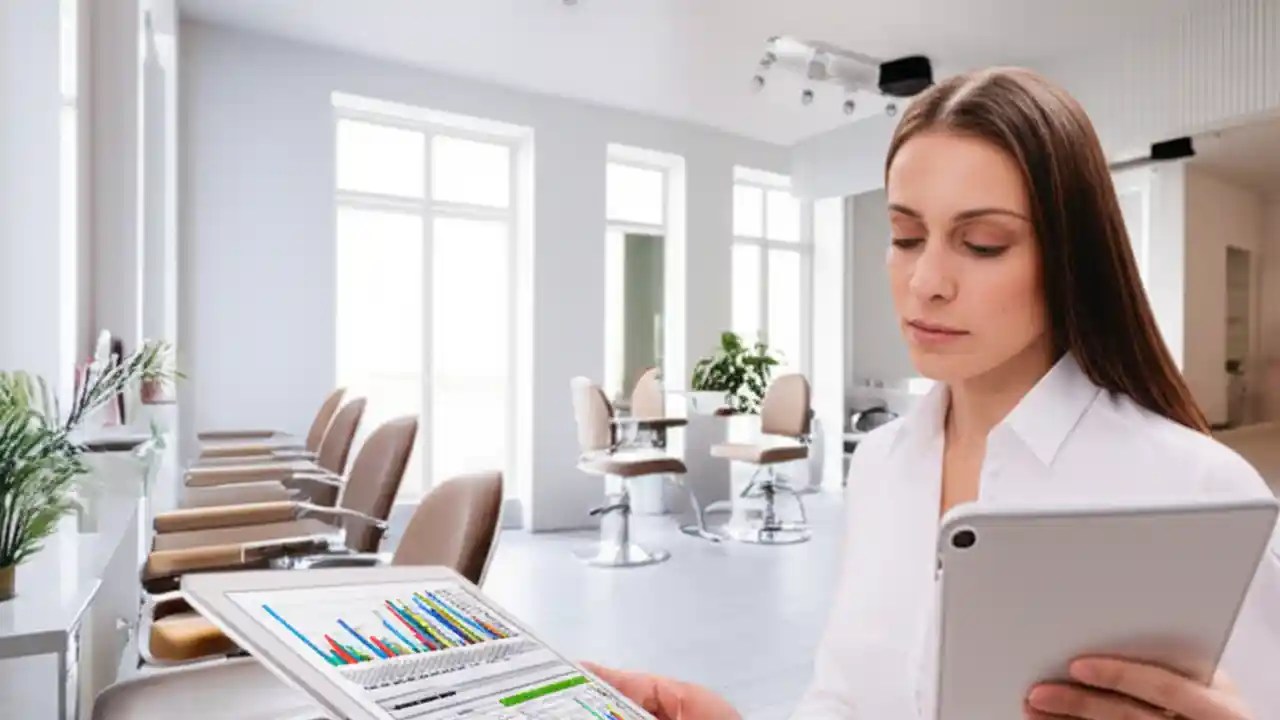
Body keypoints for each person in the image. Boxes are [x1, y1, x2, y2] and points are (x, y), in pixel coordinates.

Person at [587, 67, 1280, 719]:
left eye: (981, 243)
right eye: (906, 235)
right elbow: (848, 701)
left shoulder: (1195, 488)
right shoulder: (884, 462)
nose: (926, 282)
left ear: (1072, 258)